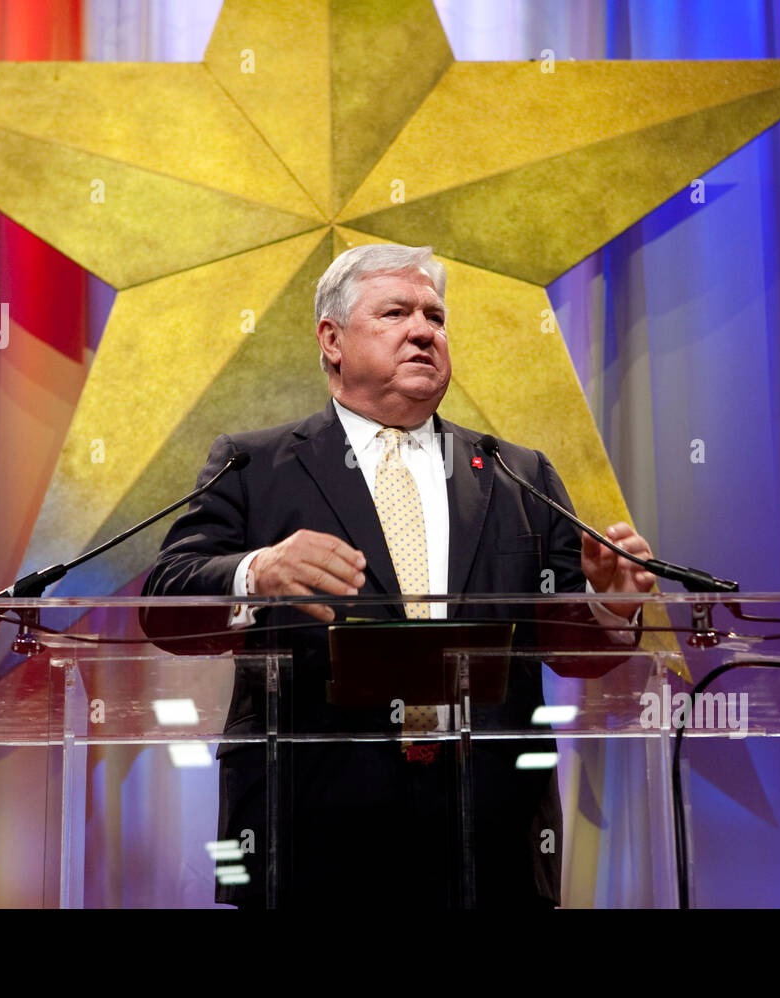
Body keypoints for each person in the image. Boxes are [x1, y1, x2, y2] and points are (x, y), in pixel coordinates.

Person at [143, 243, 655, 907]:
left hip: (488, 830)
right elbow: (164, 602)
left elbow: (562, 647)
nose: (423, 331)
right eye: (395, 313)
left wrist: (609, 607)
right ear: (331, 339)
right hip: (312, 824)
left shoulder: (516, 473)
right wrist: (258, 571)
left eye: (435, 318)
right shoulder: (255, 465)